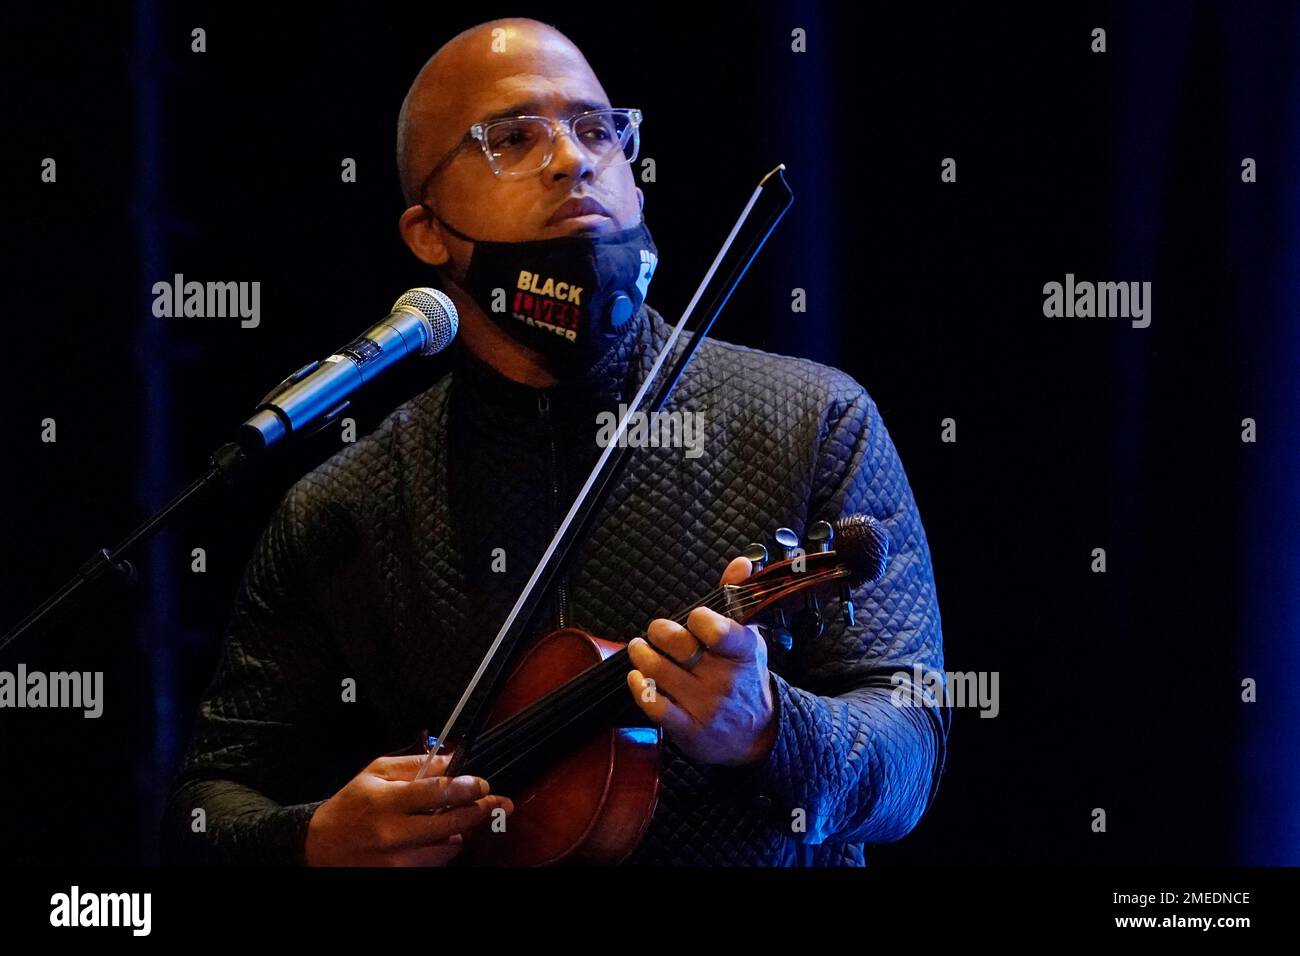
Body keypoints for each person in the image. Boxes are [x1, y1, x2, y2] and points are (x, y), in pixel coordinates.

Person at [161, 16, 950, 867]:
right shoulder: (343, 507)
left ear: (636, 184)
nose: (573, 159)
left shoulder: (814, 420)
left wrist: (768, 728)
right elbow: (208, 806)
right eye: (512, 137)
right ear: (428, 233)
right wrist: (312, 840)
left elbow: (909, 760)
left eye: (597, 130)